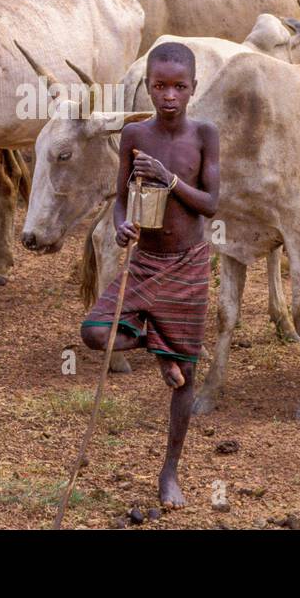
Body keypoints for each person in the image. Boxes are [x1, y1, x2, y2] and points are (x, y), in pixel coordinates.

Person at [79, 41, 219, 509]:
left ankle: (169, 471)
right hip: (145, 262)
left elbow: (212, 203)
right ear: (148, 86)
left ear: (193, 88)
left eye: (179, 86)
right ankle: (161, 348)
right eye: (160, 86)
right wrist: (122, 225)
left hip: (189, 262)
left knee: (188, 376)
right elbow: (120, 197)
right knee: (96, 333)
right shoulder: (135, 134)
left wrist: (169, 178)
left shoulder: (204, 135)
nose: (170, 96)